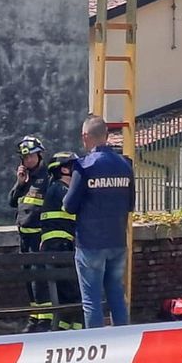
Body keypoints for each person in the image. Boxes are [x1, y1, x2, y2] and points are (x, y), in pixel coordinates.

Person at [64, 116, 136, 329]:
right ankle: (124, 339)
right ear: (106, 135)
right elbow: (130, 204)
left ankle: (95, 342)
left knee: (91, 300)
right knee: (116, 294)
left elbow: (69, 205)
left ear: (85, 136)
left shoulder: (84, 166)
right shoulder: (125, 165)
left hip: (90, 244)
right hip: (117, 241)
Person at [8, 134, 53, 332]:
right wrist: (20, 182)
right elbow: (11, 201)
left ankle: (45, 319)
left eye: (31, 156)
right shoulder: (25, 178)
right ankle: (34, 316)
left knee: (39, 279)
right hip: (24, 237)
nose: (28, 160)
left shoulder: (47, 178)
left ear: (39, 155)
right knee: (28, 277)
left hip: (39, 237)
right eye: (25, 158)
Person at [40, 151, 82, 331]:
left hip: (57, 246)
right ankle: (79, 329)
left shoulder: (55, 188)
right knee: (74, 289)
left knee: (66, 291)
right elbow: (76, 206)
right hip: (60, 246)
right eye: (75, 167)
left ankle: (65, 327)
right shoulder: (60, 189)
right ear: (64, 170)